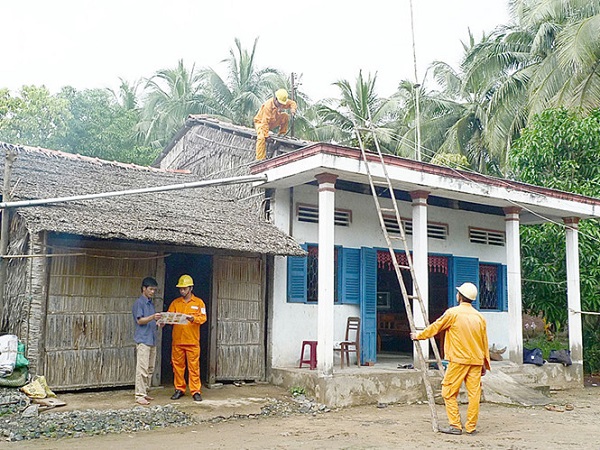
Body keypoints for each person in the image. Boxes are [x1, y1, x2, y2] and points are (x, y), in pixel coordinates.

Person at [410, 282, 491, 435]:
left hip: (459, 360)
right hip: (475, 361)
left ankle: (455, 425)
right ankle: (471, 427)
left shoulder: (452, 313)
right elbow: (484, 342)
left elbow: (435, 327)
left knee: (448, 392)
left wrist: (419, 336)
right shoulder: (480, 317)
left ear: (460, 296)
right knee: (474, 395)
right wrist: (484, 364)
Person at [168, 274, 207, 402]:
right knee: (178, 367)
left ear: (190, 288)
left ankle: (195, 391)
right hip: (178, 341)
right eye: (180, 289)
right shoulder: (175, 303)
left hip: (192, 341)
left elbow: (203, 318)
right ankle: (179, 389)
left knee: (194, 367)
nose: (182, 291)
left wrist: (193, 318)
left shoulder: (199, 302)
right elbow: (169, 317)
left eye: (184, 288)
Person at [132, 277, 162, 405]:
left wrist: (158, 322)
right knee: (142, 368)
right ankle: (139, 395)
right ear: (144, 289)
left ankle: (144, 392)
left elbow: (150, 321)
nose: (152, 292)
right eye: (150, 289)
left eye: (154, 290)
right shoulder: (139, 303)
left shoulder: (150, 303)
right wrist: (152, 317)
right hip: (143, 339)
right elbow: (140, 320)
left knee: (150, 368)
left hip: (151, 339)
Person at [253, 88, 298, 160]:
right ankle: (260, 158)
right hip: (261, 122)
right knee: (261, 137)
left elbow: (292, 103)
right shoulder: (268, 106)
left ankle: (282, 133)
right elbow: (265, 122)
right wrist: (266, 136)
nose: (281, 106)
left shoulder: (282, 102)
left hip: (273, 121)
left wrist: (293, 109)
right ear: (275, 99)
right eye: (280, 104)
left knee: (285, 116)